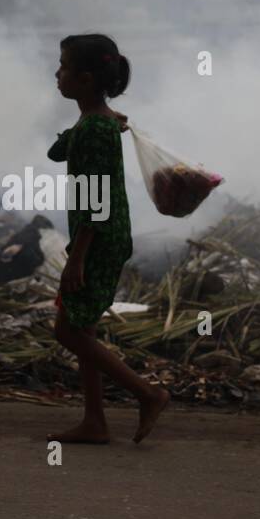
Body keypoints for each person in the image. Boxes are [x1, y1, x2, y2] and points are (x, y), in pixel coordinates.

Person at [46, 34, 169, 445]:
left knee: (68, 332)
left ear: (84, 79)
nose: (57, 74)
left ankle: (147, 394)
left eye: (63, 67)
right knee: (83, 329)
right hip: (99, 236)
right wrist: (96, 118)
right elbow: (56, 153)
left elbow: (97, 202)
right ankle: (95, 421)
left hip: (97, 239)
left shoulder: (97, 129)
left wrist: (76, 258)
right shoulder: (94, 125)